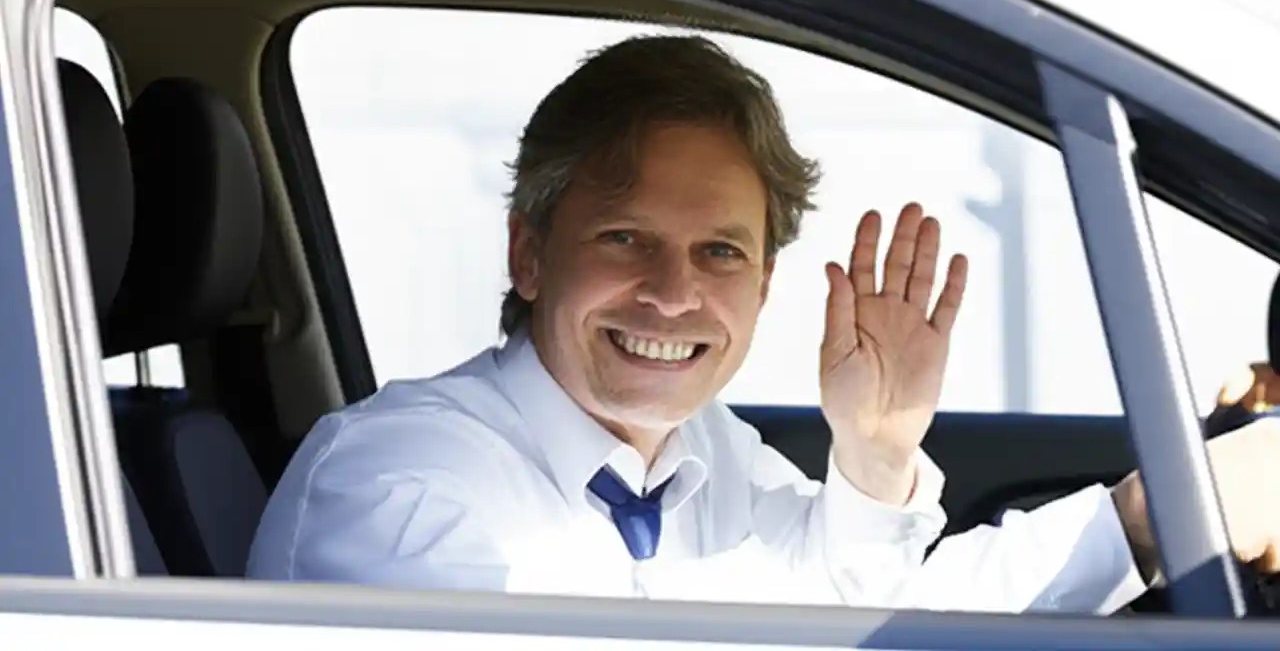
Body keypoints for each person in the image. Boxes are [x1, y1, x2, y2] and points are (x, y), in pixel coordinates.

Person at [247, 35, 1280, 611]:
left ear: (764, 283)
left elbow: (868, 616)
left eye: (719, 253)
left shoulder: (699, 454)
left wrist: (1149, 520)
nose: (670, 294)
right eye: (622, 238)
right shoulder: (398, 490)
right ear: (527, 253)